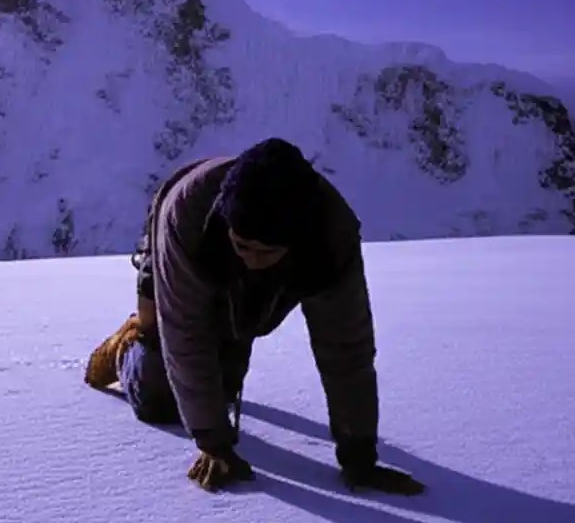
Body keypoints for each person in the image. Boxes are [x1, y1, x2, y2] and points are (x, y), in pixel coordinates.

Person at [83, 137, 425, 495]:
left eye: (266, 251)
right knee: (158, 389)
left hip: (263, 274)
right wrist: (212, 442)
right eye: (243, 246)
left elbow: (346, 349)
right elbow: (187, 336)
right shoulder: (188, 219)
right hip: (176, 241)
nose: (252, 259)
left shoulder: (331, 239)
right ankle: (126, 347)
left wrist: (359, 455)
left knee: (223, 383)